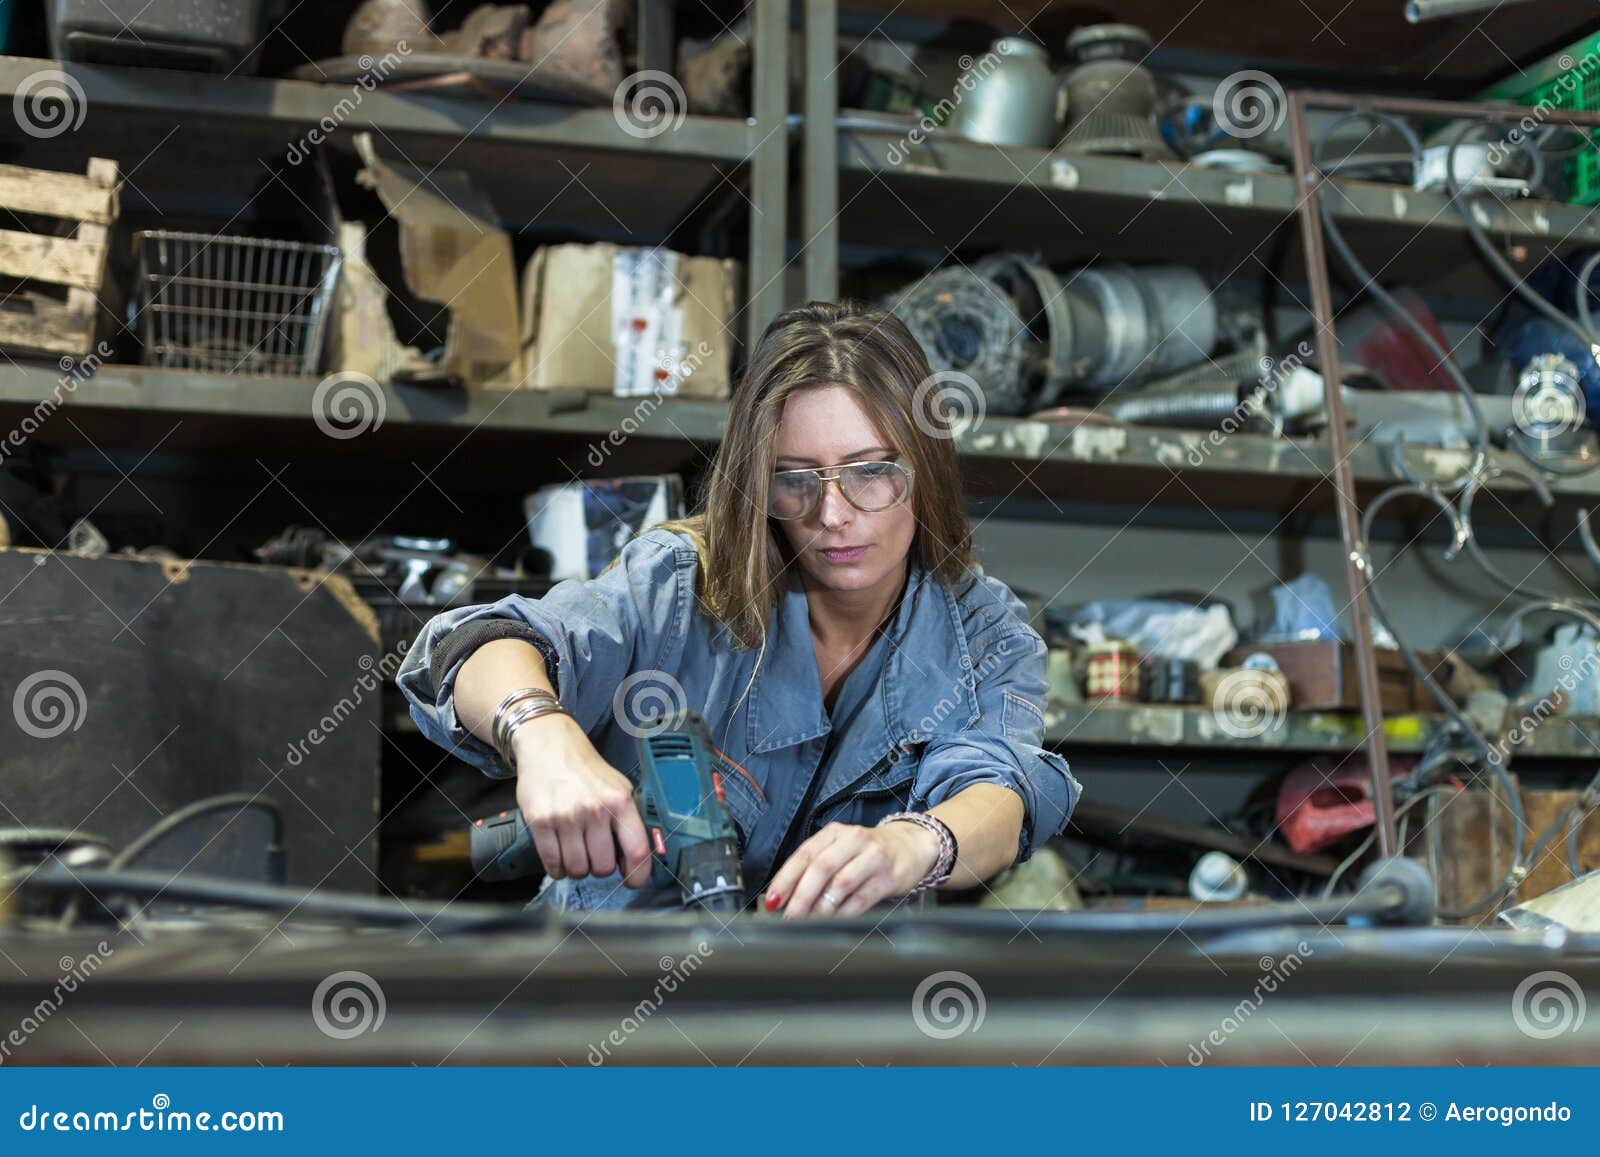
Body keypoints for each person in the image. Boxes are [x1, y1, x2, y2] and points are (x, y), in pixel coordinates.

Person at [395, 300, 1081, 916]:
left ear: (925, 468)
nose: (833, 515)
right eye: (794, 479)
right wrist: (541, 733)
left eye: (873, 470)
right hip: (601, 1005)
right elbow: (478, 644)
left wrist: (911, 844)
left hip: (820, 1023)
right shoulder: (677, 585)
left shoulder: (981, 632)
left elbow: (1002, 788)